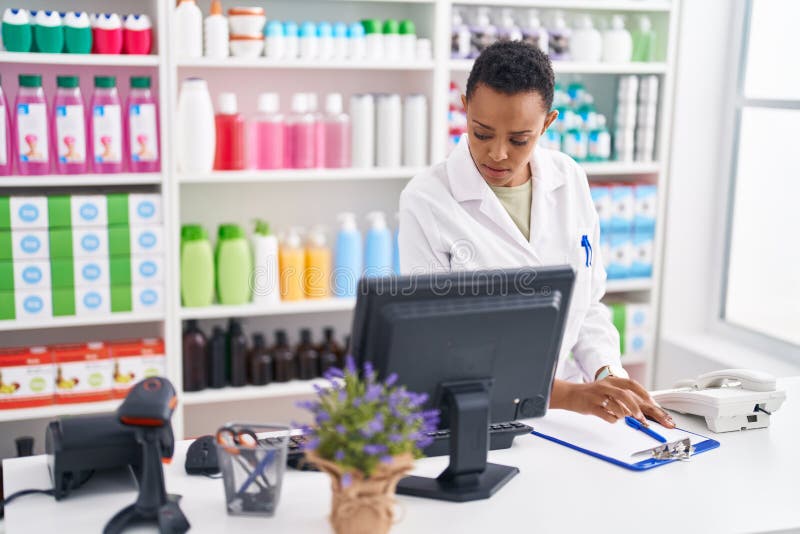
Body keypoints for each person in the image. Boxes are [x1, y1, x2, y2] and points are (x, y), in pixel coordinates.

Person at [398, 41, 673, 428]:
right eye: (482, 133)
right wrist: (569, 395)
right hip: (479, 419)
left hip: (572, 420)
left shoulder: (570, 178)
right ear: (465, 108)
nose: (497, 153)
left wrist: (606, 373)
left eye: (518, 140)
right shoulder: (426, 200)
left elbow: (587, 304)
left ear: (547, 124)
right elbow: (443, 344)